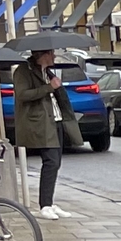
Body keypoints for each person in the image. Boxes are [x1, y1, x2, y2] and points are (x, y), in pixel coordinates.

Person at [10, 47, 77, 220]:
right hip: (39, 123)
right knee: (51, 161)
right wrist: (49, 87)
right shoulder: (24, 71)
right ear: (43, 55)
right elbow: (23, 94)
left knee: (56, 163)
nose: (54, 56)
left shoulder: (47, 71)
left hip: (55, 120)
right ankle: (45, 205)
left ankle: (50, 202)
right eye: (51, 53)